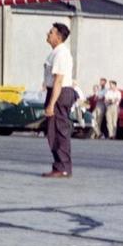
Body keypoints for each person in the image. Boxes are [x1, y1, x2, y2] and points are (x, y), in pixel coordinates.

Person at [41, 22, 75, 178]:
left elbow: (59, 81)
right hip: (56, 92)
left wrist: (51, 104)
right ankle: (59, 166)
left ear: (59, 37)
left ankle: (63, 168)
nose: (48, 34)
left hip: (60, 94)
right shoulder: (55, 52)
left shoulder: (61, 54)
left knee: (59, 131)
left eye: (51, 32)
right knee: (52, 131)